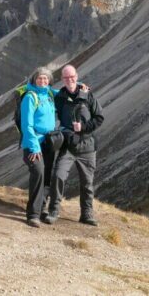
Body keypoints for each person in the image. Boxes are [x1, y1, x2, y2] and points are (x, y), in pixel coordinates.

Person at [45, 64, 104, 226]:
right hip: (68, 147)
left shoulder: (88, 95)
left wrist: (83, 127)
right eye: (66, 78)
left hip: (87, 147)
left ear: (77, 77)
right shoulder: (59, 98)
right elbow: (49, 111)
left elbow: (99, 118)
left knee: (87, 183)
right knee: (58, 176)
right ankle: (54, 210)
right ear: (62, 80)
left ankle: (86, 214)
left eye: (72, 77)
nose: (69, 80)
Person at [20, 66, 57, 228]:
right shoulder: (30, 97)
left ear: (49, 81)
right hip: (33, 143)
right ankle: (33, 214)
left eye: (46, 78)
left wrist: (81, 85)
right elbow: (26, 125)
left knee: (47, 175)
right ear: (34, 80)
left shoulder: (49, 94)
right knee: (38, 172)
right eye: (40, 78)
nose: (43, 81)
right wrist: (34, 147)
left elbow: (67, 91)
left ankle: (42, 209)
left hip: (49, 143)